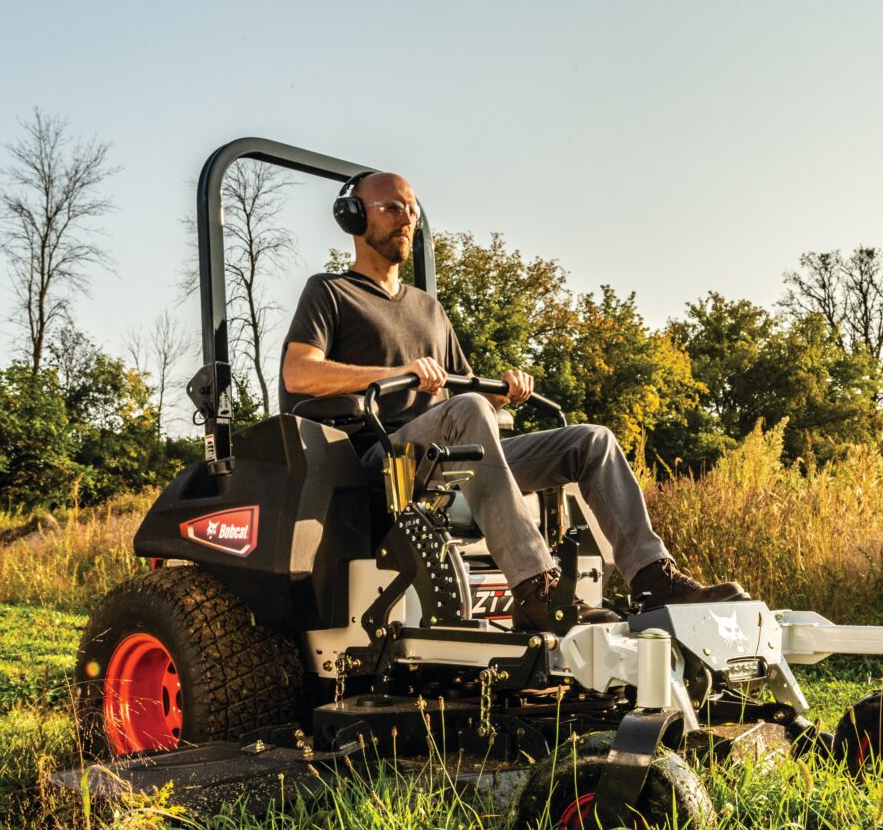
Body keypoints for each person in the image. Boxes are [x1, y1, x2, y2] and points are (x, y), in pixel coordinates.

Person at [280, 171, 746, 631]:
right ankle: (536, 589)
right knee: (468, 410)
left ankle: (652, 580)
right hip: (387, 462)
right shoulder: (331, 292)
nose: (407, 218)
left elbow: (463, 392)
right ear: (353, 216)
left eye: (412, 208)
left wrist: (501, 390)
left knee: (591, 441)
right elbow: (299, 373)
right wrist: (396, 374)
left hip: (455, 456)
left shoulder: (429, 308)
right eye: (391, 207)